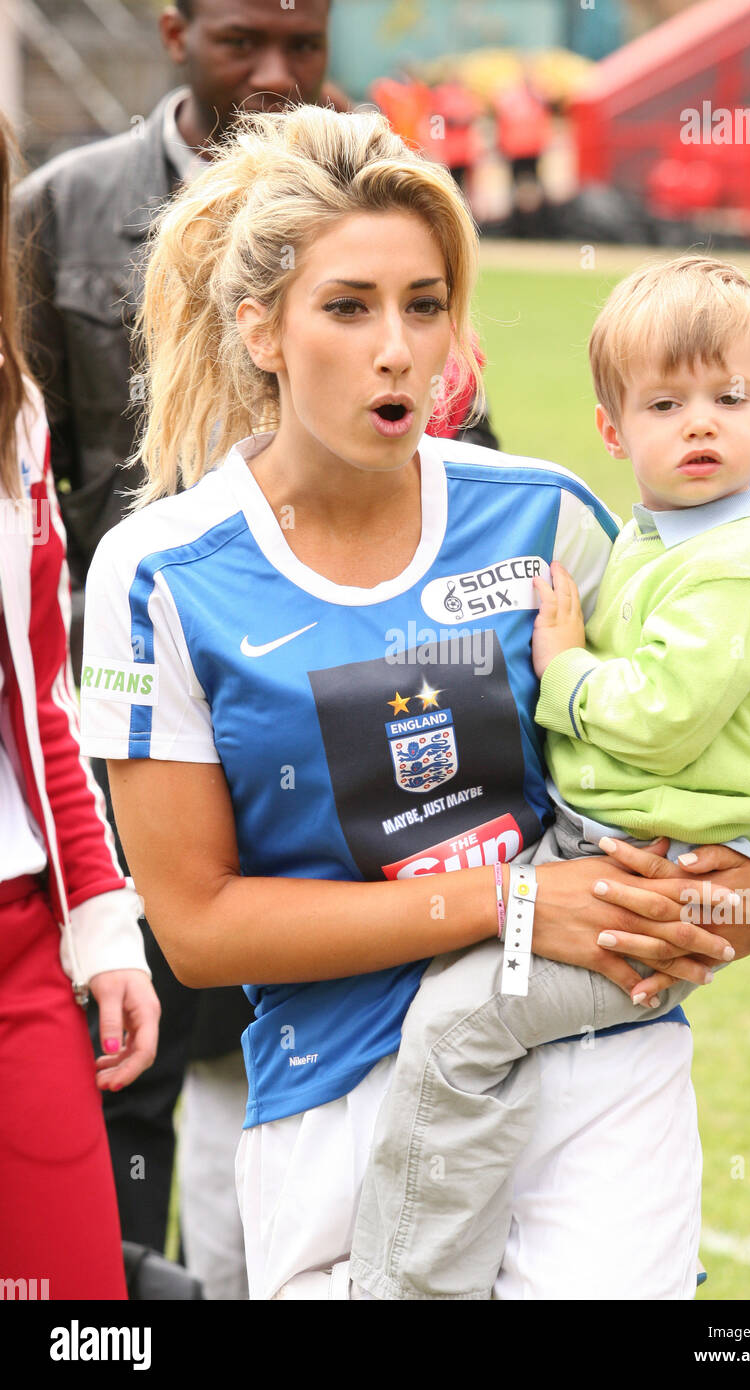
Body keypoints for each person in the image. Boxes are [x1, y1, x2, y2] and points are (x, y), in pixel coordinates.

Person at [78, 105, 750, 1301]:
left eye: (424, 306)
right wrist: (516, 905)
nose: (398, 350)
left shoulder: (551, 518)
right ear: (260, 328)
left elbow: (703, 777)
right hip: (338, 1095)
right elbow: (199, 929)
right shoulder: (159, 573)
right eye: (350, 307)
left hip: (594, 1066)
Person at [12, 0, 494, 1292]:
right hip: (107, 704)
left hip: (310, 720)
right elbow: (37, 500)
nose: (276, 76)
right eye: (242, 44)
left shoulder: (379, 212)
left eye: (302, 42)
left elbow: (465, 494)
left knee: (259, 1053)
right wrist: (95, 723)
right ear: (174, 34)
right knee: (128, 1077)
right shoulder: (65, 207)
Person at [349, 255, 750, 1299]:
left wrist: (563, 672)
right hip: (602, 846)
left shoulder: (742, 559)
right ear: (615, 432)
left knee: (457, 1026)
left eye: (729, 398)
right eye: (667, 403)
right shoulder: (665, 537)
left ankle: (408, 1286)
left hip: (657, 863)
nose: (699, 424)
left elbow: (660, 719)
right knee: (458, 988)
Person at [0, 114, 159, 1300]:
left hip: (18, 943)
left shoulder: (13, 408)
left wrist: (103, 924)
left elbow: (44, 690)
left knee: (78, 1308)